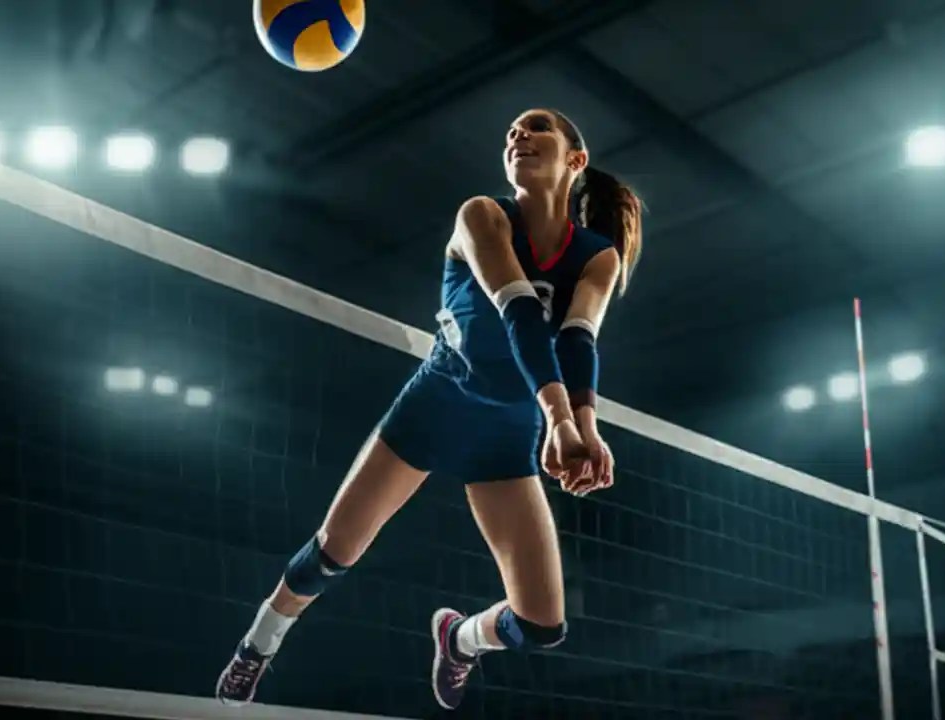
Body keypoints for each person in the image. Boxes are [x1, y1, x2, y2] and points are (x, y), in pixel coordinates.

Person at [215, 108, 644, 711]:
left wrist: (587, 430)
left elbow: (578, 340)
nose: (517, 135)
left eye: (535, 127)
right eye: (510, 131)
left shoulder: (598, 256)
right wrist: (561, 421)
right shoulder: (483, 215)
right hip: (436, 407)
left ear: (575, 160)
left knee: (543, 624)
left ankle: (460, 639)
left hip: (506, 437)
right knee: (333, 552)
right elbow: (519, 313)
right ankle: (258, 645)